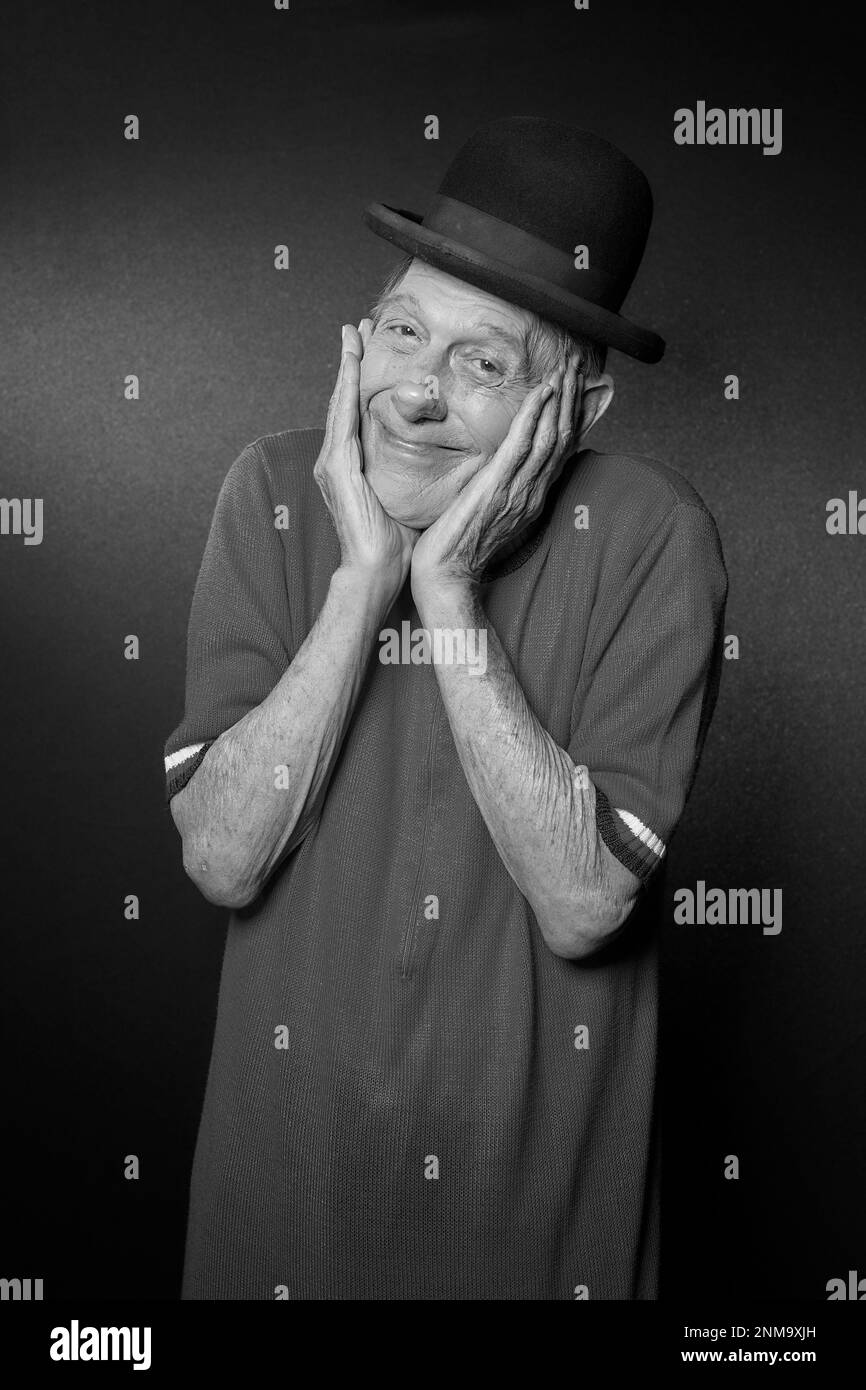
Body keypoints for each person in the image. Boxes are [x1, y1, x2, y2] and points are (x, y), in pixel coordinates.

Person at [164, 116, 727, 1300]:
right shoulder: (272, 489)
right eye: (402, 331)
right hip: (280, 1204)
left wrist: (448, 593)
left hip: (527, 1223)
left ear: (573, 405)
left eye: (481, 363)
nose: (412, 393)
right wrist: (359, 584)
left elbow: (583, 906)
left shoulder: (647, 533)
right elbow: (219, 857)